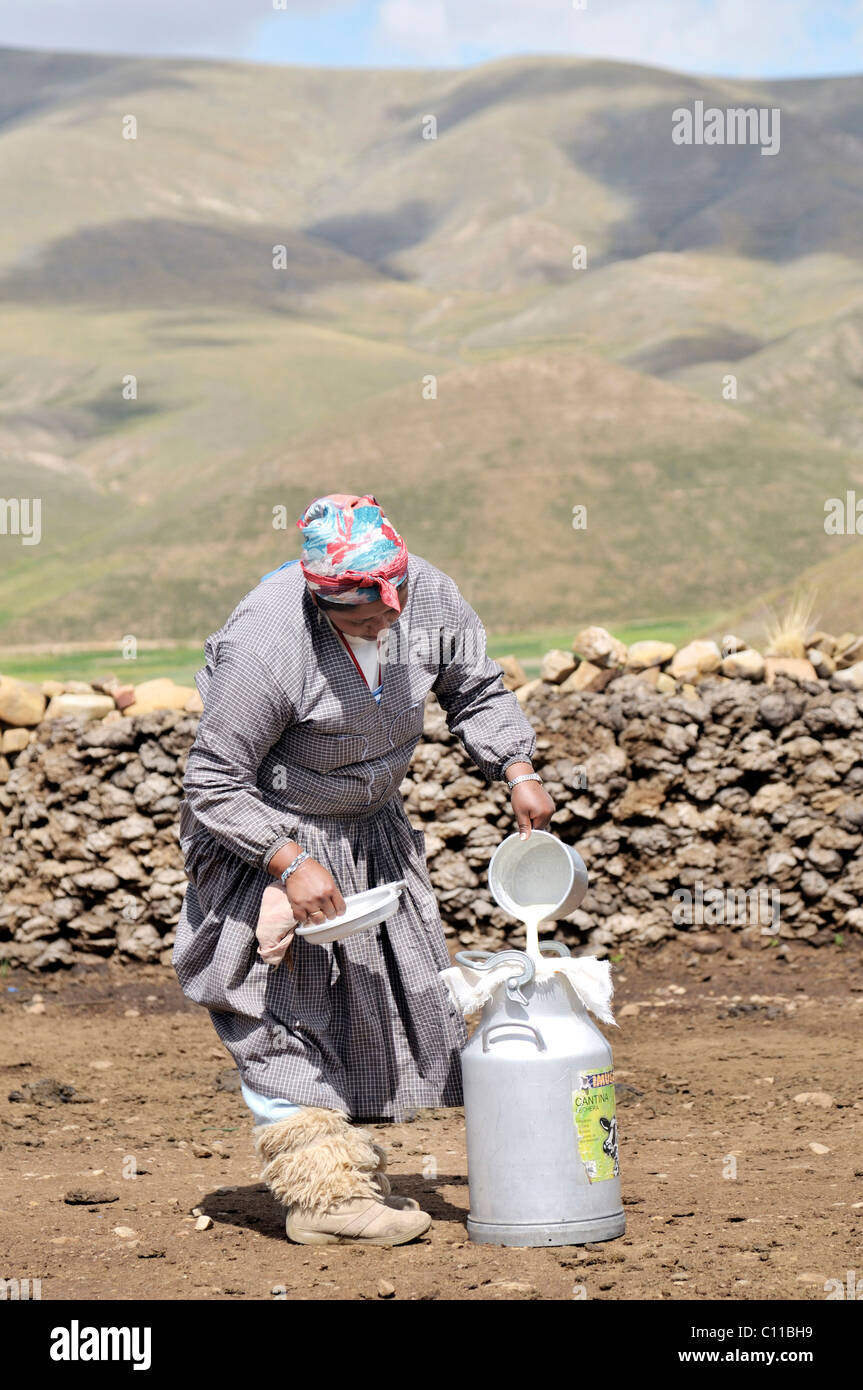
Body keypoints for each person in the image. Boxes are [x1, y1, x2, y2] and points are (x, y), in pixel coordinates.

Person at [172, 493, 554, 1246]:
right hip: (270, 833)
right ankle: (323, 1201)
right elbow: (214, 783)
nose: (381, 627)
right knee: (280, 1006)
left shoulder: (427, 595)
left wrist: (514, 767)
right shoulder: (267, 642)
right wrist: (288, 863)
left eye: (387, 612)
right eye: (355, 622)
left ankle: (346, 1167)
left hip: (370, 830)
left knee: (378, 996)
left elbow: (472, 688)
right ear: (321, 604)